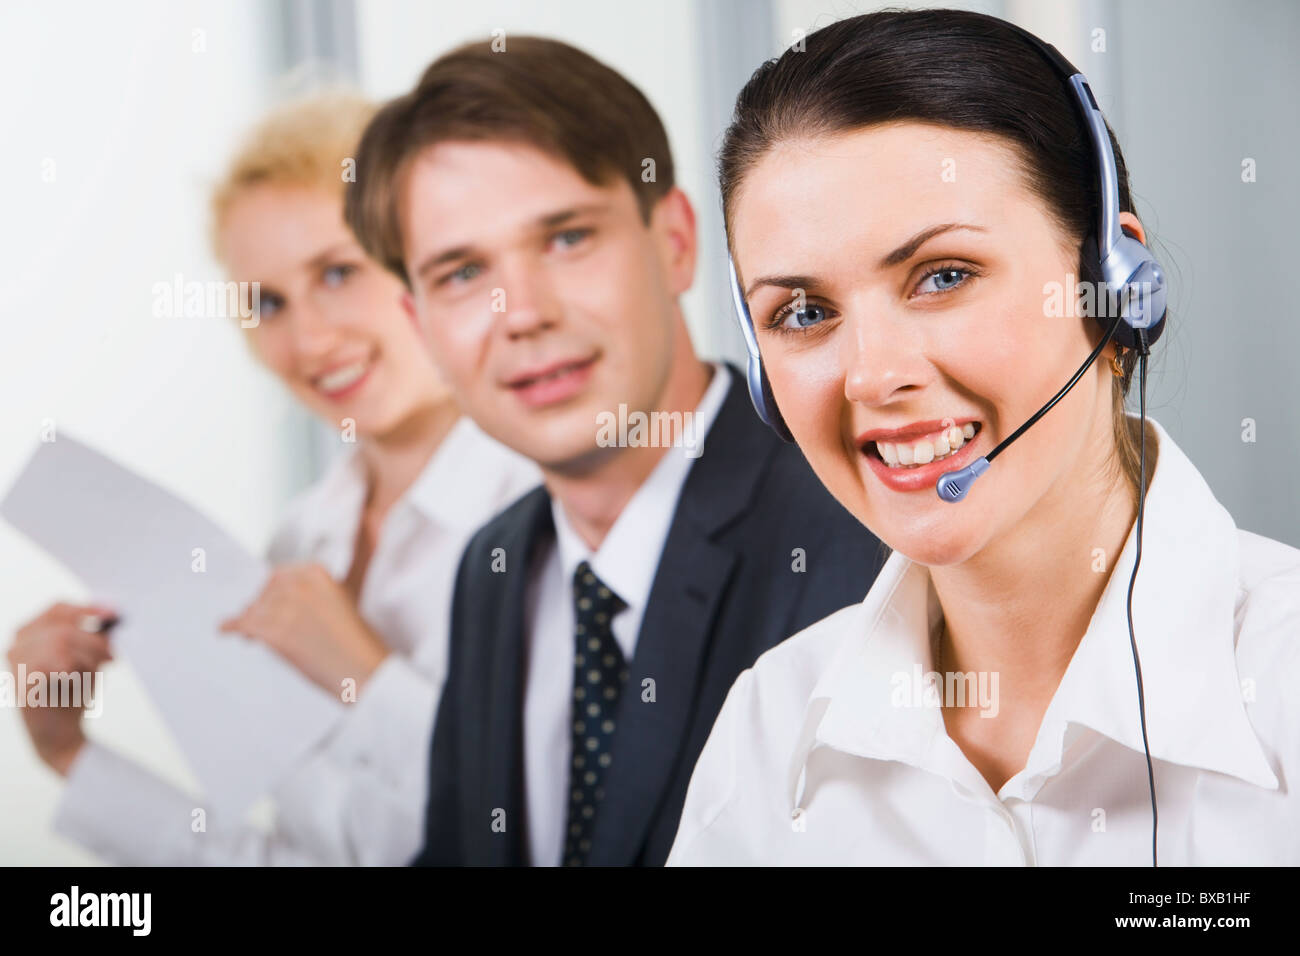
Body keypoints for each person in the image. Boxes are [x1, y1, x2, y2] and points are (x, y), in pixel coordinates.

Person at [668, 9, 1300, 866]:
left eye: (943, 276)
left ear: (1114, 289)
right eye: (804, 313)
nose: (871, 376)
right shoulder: (771, 732)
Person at [342, 36, 886, 867]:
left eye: (565, 238)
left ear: (673, 241)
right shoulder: (492, 568)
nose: (520, 312)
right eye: (460, 273)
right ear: (418, 324)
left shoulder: (855, 530)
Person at [6, 92, 538, 865]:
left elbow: (557, 824)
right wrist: (69, 755)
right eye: (267, 303)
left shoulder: (543, 512)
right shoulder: (297, 540)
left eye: (336, 272)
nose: (311, 338)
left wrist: (366, 676)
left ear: (429, 265)